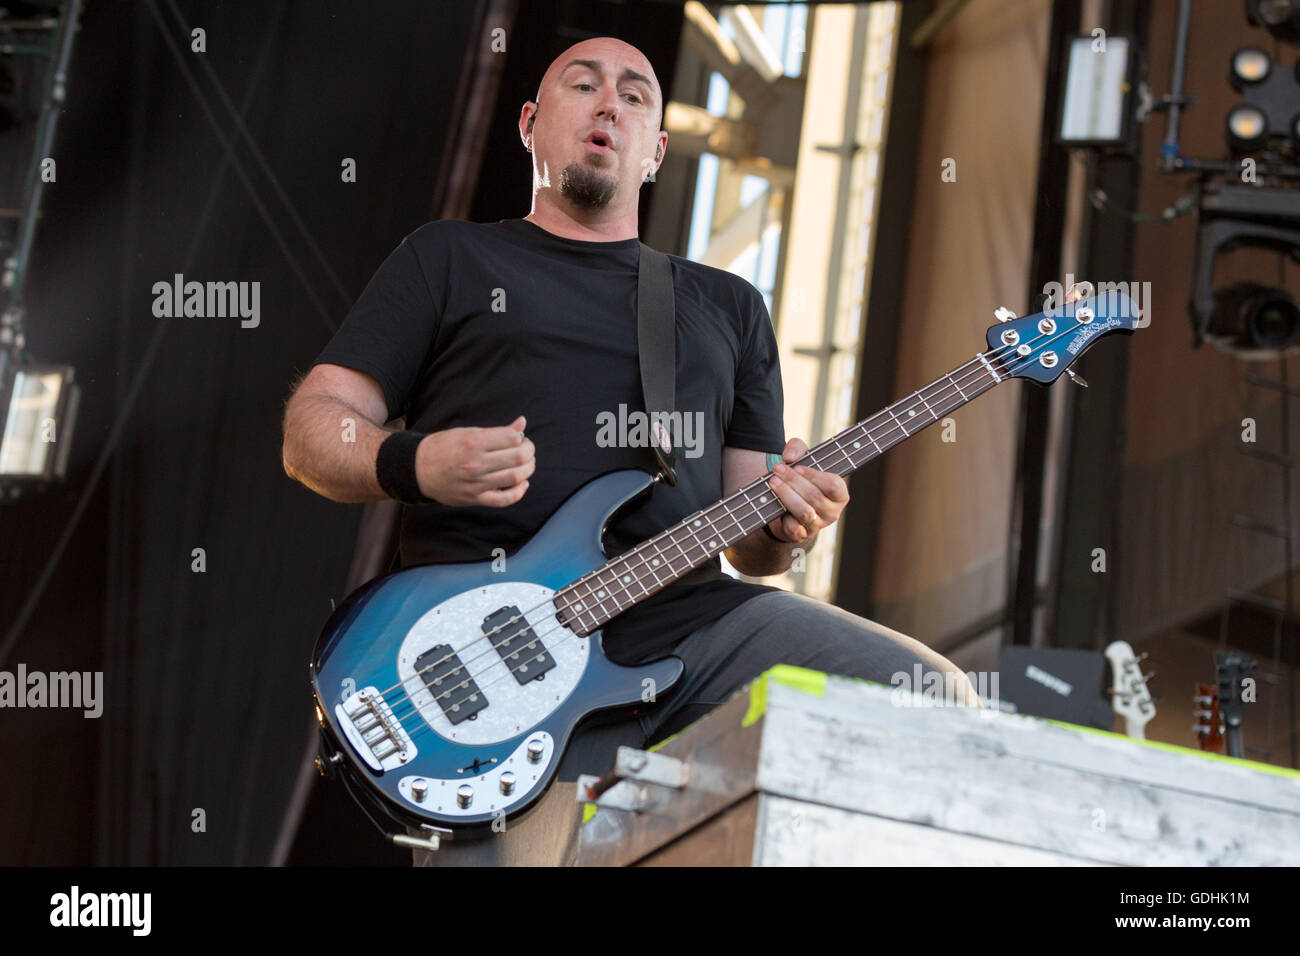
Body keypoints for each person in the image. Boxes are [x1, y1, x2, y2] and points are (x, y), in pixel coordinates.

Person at [281, 36, 980, 862]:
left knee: (928, 696)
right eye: (584, 85)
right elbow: (313, 429)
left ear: (657, 151)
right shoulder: (448, 258)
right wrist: (414, 462)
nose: (610, 102)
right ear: (531, 125)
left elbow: (755, 538)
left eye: (636, 94)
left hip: (689, 625)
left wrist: (795, 520)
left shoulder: (726, 306)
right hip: (492, 654)